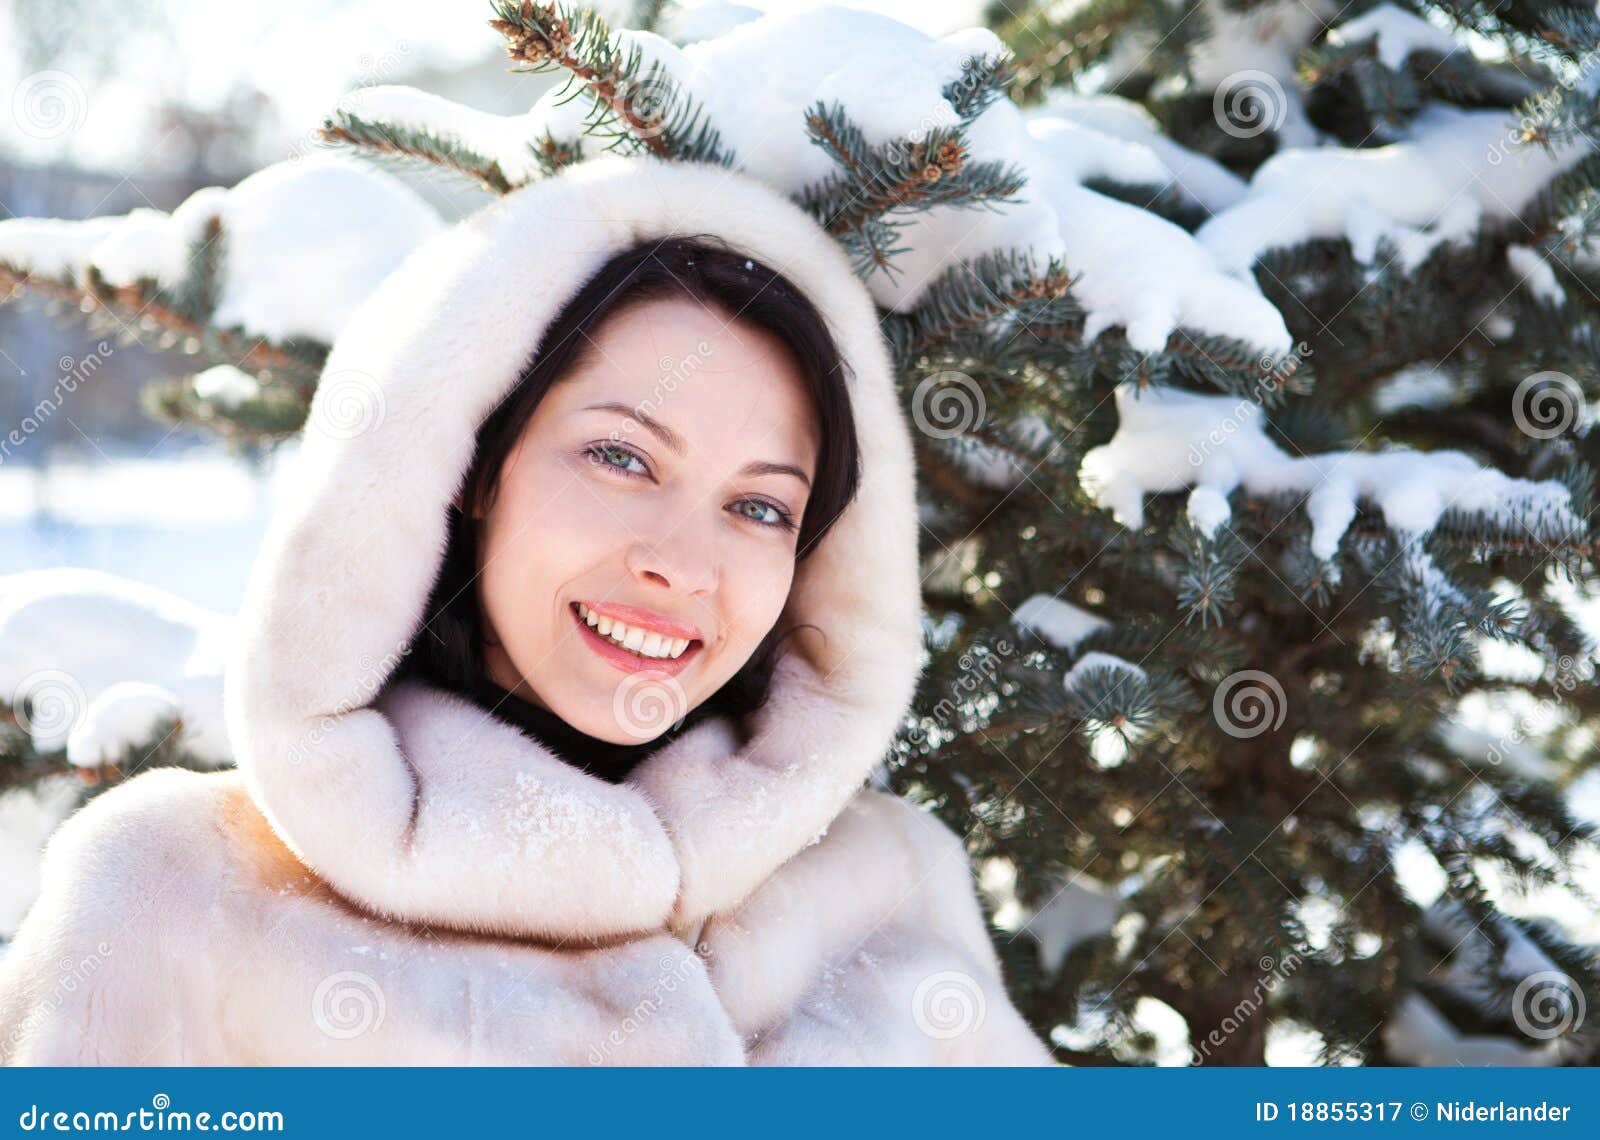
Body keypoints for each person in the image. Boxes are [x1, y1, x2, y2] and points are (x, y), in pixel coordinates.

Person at [0, 155, 1054, 1065]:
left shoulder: (889, 889)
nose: (684, 564)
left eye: (758, 505)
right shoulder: (172, 894)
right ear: (472, 461)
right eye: (619, 455)